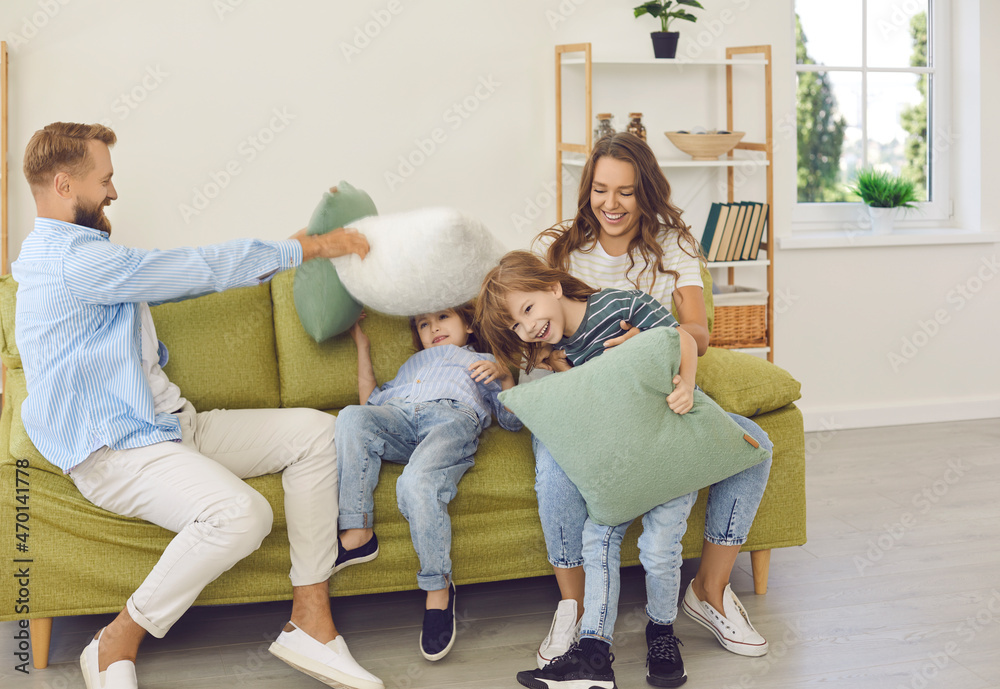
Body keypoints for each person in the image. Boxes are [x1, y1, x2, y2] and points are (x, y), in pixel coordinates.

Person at [11, 122, 382, 689]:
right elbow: (195, 269)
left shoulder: (79, 254)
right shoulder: (72, 263)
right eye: (104, 180)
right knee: (241, 513)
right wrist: (309, 248)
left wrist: (285, 252)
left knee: (317, 433)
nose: (114, 192)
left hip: (167, 426)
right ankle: (115, 641)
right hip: (119, 449)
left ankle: (311, 619)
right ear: (64, 184)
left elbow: (170, 296)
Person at [526, 132, 775, 669]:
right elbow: (539, 333)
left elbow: (697, 331)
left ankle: (708, 590)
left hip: (656, 393)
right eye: (599, 189)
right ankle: (574, 605)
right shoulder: (564, 249)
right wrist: (553, 363)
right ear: (586, 189)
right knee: (552, 470)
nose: (610, 204)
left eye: (625, 192)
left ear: (647, 192)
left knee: (754, 443)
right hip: (591, 407)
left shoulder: (674, 244)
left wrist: (651, 345)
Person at [476, 251, 771, 688]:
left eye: (528, 310)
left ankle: (682, 613)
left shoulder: (618, 307)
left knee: (672, 532)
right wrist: (519, 377)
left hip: (663, 433)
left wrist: (682, 379)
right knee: (601, 533)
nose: (528, 326)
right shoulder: (543, 353)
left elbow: (682, 340)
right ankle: (587, 637)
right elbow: (524, 418)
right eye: (516, 325)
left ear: (553, 287)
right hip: (612, 457)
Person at [334, 303, 522, 661]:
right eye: (423, 324)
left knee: (415, 483)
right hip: (401, 417)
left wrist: (506, 377)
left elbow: (511, 422)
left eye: (443, 318)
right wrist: (361, 345)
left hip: (452, 418)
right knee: (350, 418)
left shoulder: (481, 358)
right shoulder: (411, 366)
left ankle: (438, 588)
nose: (433, 327)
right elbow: (369, 403)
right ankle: (358, 532)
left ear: (468, 325)